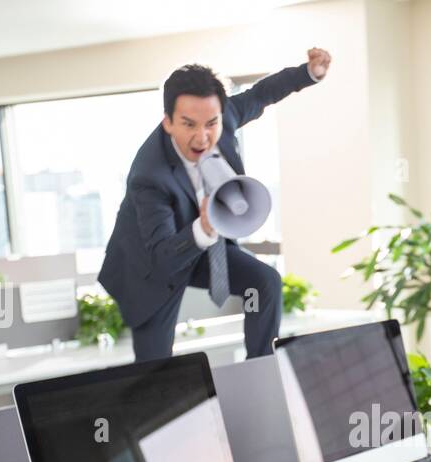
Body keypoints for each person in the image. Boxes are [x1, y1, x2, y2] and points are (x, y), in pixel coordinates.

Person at [99, 49, 331, 362]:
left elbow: (262, 94)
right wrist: (204, 227)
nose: (202, 137)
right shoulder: (148, 176)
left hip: (205, 245)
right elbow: (164, 258)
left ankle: (260, 368)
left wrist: (308, 72)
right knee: (153, 369)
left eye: (211, 123)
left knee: (264, 283)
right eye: (189, 125)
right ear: (168, 122)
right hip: (153, 263)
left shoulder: (225, 117)